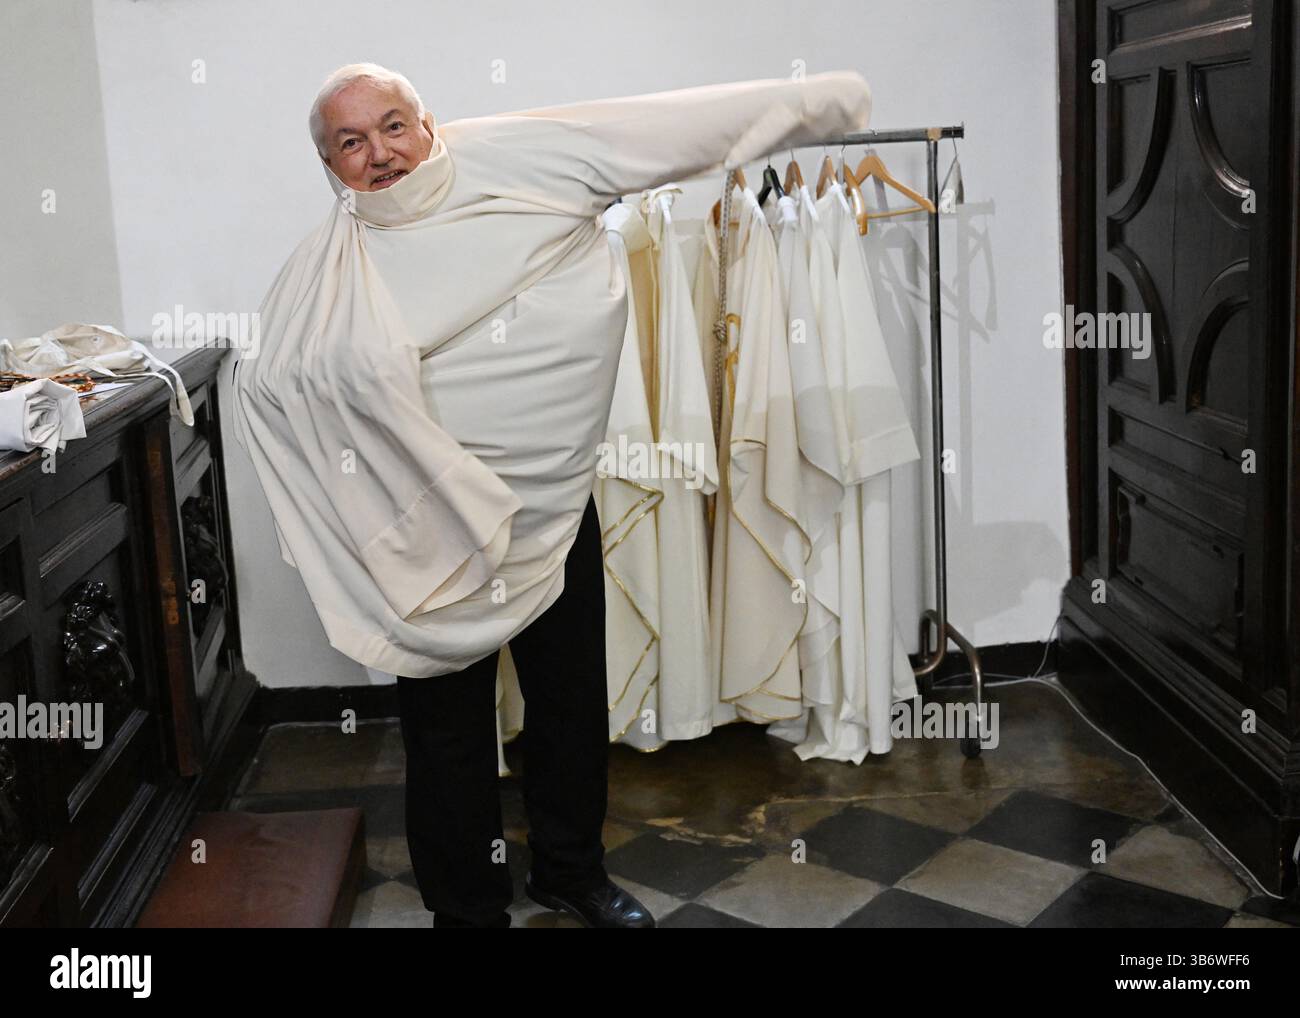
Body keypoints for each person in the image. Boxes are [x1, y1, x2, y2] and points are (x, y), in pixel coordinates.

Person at [235, 61, 872, 928]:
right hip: (429, 535)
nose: (380, 154)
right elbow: (275, 381)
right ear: (330, 168)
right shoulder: (329, 265)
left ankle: (573, 875)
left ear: (430, 124)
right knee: (446, 731)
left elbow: (664, 127)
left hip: (553, 506)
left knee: (569, 704)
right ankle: (467, 910)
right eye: (351, 143)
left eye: (392, 126)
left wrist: (813, 102)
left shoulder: (516, 161)